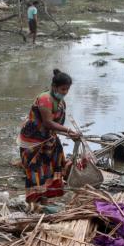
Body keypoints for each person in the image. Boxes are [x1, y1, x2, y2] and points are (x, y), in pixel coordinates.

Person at [18, 69, 79, 210]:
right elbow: (48, 123)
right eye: (63, 89)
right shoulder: (45, 99)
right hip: (33, 141)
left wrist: (71, 134)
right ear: (54, 87)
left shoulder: (61, 102)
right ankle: (33, 204)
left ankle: (44, 203)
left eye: (67, 90)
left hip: (49, 139)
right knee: (35, 171)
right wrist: (69, 131)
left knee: (50, 169)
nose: (64, 92)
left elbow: (56, 126)